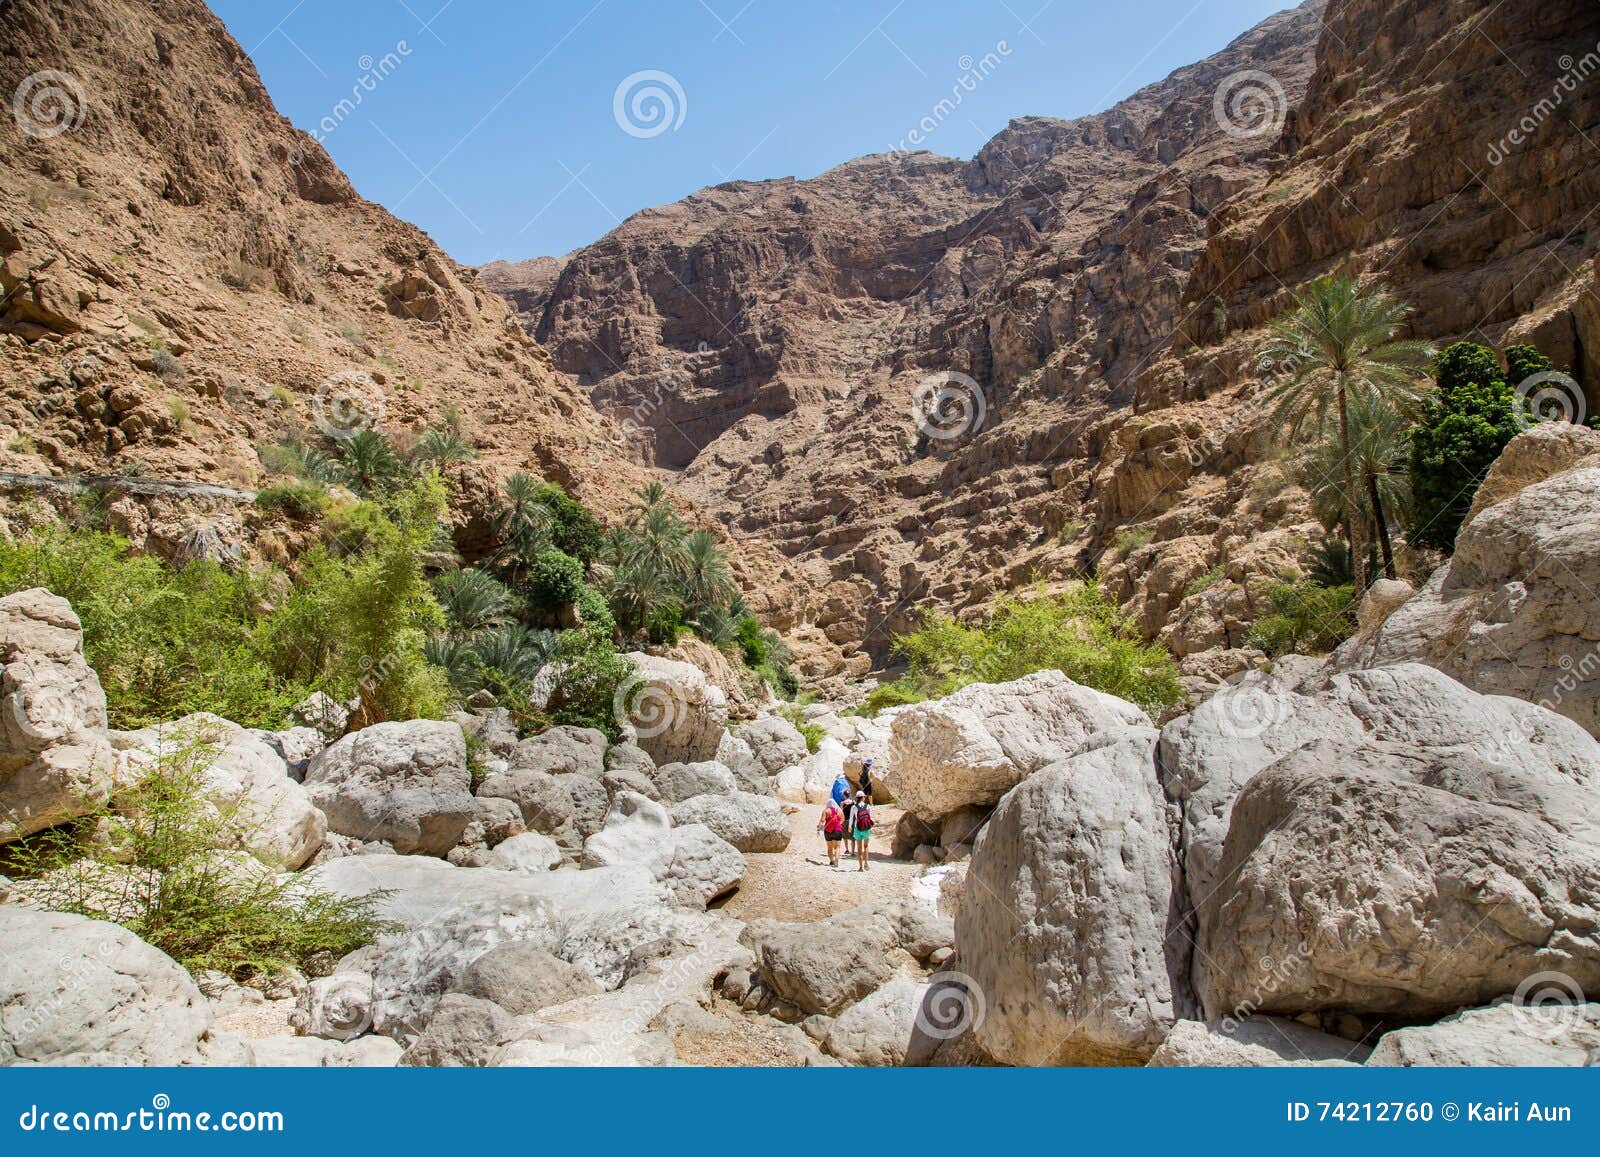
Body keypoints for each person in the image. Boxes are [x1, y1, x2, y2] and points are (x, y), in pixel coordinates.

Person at [818, 798, 845, 867]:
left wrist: (819, 827)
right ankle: (836, 860)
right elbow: (842, 820)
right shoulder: (839, 810)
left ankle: (831, 861)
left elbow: (822, 820)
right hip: (837, 830)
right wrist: (837, 823)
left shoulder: (826, 811)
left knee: (829, 847)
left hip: (828, 831)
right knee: (837, 847)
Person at [853, 790, 874, 871]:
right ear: (862, 798)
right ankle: (866, 863)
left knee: (859, 847)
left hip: (857, 828)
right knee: (866, 846)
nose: (865, 798)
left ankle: (861, 867)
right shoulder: (868, 806)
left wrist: (850, 827)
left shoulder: (854, 807)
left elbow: (852, 819)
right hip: (866, 828)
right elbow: (869, 817)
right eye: (864, 796)